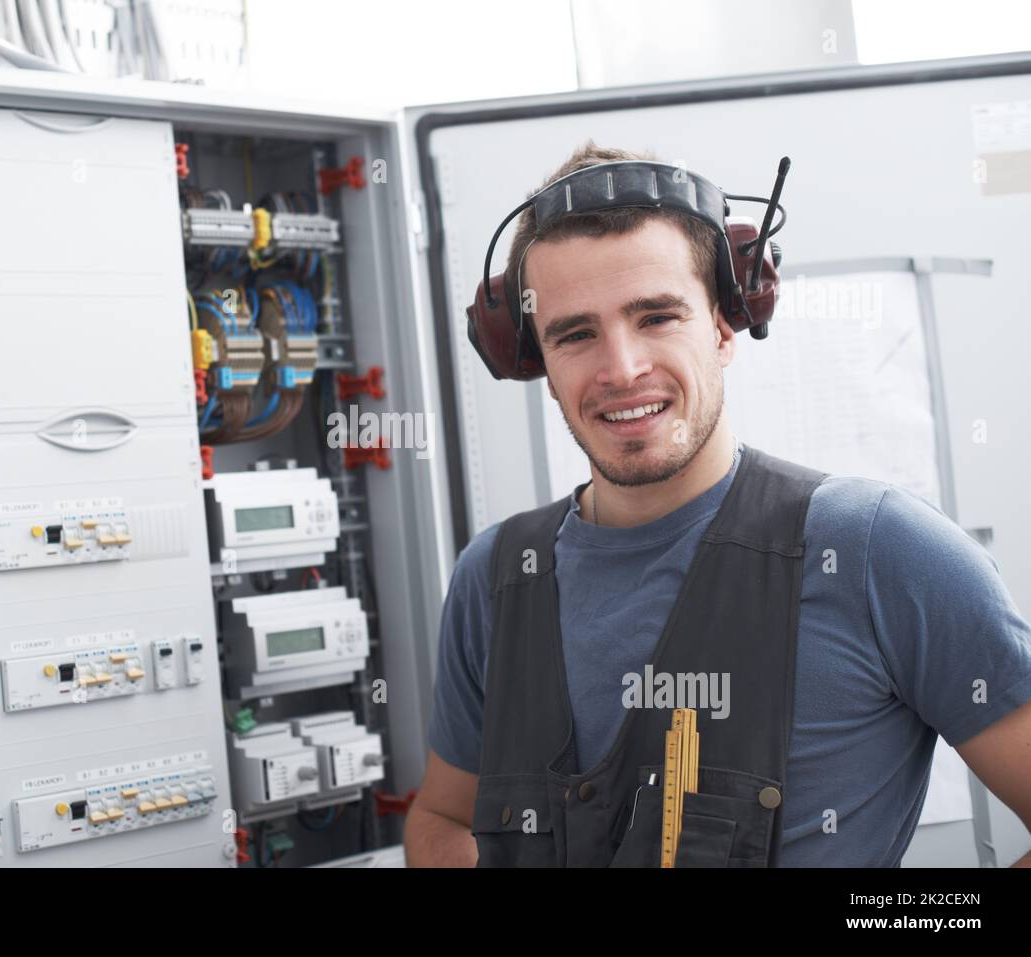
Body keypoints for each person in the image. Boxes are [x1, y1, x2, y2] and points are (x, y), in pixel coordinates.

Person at [404, 141, 1031, 867]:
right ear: (540, 365)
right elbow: (442, 814)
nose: (621, 368)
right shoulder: (495, 578)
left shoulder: (879, 551)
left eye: (657, 317)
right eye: (575, 334)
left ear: (724, 327)